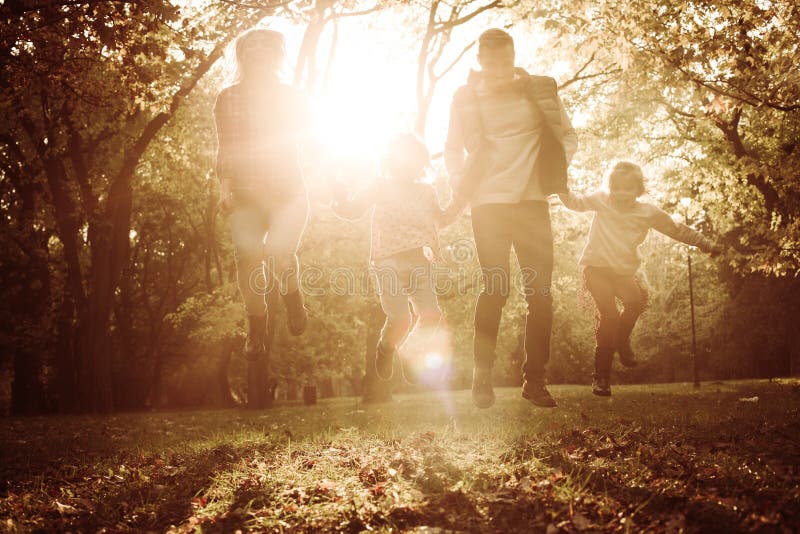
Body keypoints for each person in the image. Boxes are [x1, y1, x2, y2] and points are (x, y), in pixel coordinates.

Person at [444, 28, 578, 409]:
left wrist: (556, 170)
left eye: (505, 60)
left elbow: (567, 134)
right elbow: (452, 148)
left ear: (514, 57)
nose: (499, 69)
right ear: (480, 62)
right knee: (496, 288)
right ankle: (481, 377)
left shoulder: (540, 89)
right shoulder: (466, 96)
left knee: (541, 294)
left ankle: (534, 380)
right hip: (488, 204)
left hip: (532, 202)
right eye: (491, 62)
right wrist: (461, 183)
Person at [559, 161, 721, 396]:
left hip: (623, 272)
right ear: (609, 187)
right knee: (610, 315)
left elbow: (676, 229)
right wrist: (557, 184)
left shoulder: (648, 213)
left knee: (635, 302)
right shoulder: (601, 200)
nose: (621, 194)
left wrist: (705, 244)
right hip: (596, 269)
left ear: (639, 190)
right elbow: (574, 202)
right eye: (616, 187)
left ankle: (622, 341)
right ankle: (601, 377)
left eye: (628, 188)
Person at [213, 28, 311, 390]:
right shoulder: (228, 98)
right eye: (249, 49)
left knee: (278, 253)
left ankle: (293, 298)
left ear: (276, 56)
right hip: (245, 193)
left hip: (288, 191)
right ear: (242, 57)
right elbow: (226, 149)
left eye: (265, 49)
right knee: (247, 255)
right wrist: (224, 188)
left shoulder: (291, 98)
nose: (256, 54)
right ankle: (257, 326)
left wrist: (335, 182)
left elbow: (313, 141)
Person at [331, 133, 449, 385]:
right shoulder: (379, 186)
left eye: (417, 161)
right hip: (387, 260)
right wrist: (339, 199)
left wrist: (464, 199)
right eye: (405, 159)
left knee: (432, 315)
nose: (411, 166)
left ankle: (410, 355)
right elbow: (353, 211)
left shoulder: (426, 191)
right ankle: (385, 348)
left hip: (419, 258)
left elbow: (442, 219)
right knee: (401, 318)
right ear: (392, 160)